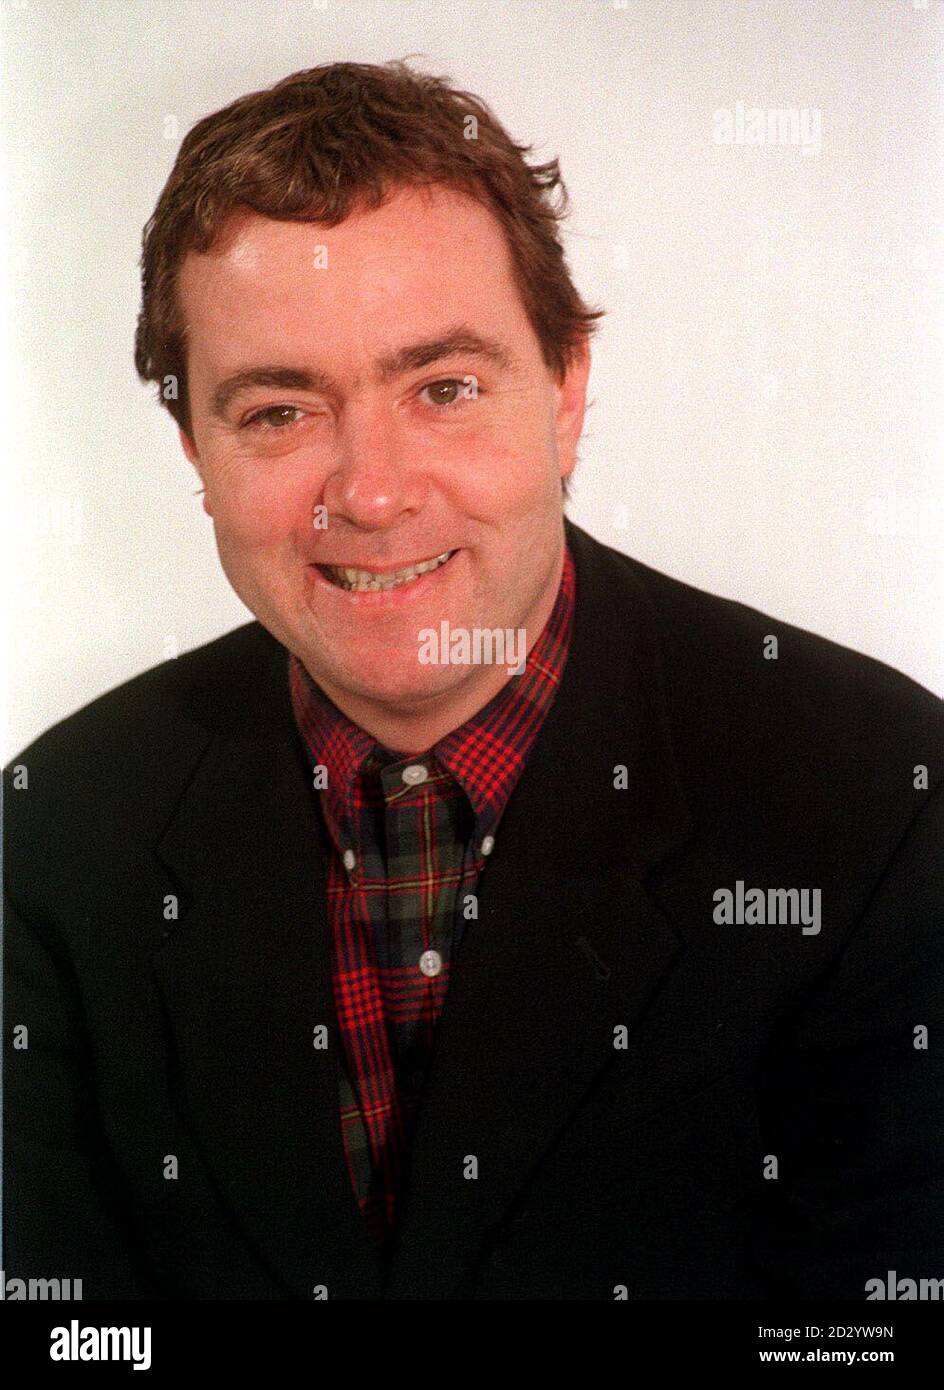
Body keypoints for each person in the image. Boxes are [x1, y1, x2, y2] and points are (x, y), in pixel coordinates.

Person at [4, 60, 942, 1301]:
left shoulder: (878, 805)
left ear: (563, 390)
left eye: (441, 389)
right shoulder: (55, 835)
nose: (373, 491)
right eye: (278, 412)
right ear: (195, 446)